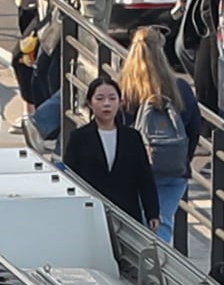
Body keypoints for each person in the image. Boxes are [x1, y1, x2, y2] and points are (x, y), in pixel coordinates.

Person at [120, 28, 196, 234]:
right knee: (163, 222)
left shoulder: (124, 90)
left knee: (135, 225)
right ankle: (160, 255)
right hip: (174, 169)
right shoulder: (180, 88)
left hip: (136, 169)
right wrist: (183, 159)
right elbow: (194, 129)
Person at [60, 77, 156, 217]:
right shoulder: (79, 137)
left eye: (112, 98)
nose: (106, 104)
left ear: (120, 102)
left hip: (127, 212)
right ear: (90, 103)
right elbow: (70, 177)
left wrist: (152, 212)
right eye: (100, 99)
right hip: (91, 211)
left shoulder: (132, 137)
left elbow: (144, 177)